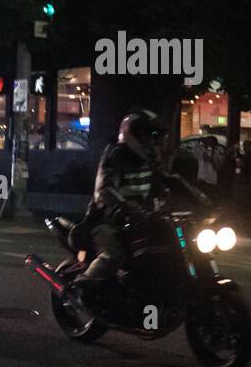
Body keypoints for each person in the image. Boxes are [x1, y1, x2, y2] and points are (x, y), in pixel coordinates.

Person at [72, 109, 206, 306]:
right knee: (112, 255)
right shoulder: (115, 155)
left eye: (155, 137)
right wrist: (130, 208)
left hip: (138, 221)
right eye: (148, 135)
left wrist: (204, 203)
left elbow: (172, 180)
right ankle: (81, 287)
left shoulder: (150, 159)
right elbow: (105, 190)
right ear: (133, 134)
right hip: (107, 221)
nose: (153, 141)